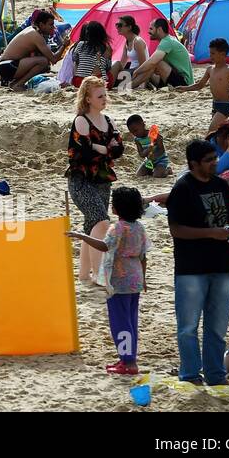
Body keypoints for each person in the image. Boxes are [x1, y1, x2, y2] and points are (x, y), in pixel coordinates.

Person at [169, 138, 229, 386]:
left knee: (217, 326)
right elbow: (176, 229)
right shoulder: (182, 188)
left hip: (222, 264)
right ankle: (190, 373)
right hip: (192, 268)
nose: (214, 163)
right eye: (209, 160)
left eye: (215, 158)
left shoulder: (221, 184)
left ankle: (215, 374)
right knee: (188, 327)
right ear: (193, 164)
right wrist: (210, 233)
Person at [66, 186, 150, 375]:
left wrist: (81, 236)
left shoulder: (117, 228)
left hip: (119, 281)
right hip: (135, 280)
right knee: (131, 320)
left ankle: (127, 362)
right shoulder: (139, 228)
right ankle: (129, 359)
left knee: (120, 322)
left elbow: (104, 246)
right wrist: (143, 279)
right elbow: (143, 256)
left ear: (117, 208)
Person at [66, 78, 125, 284]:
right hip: (81, 180)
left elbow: (119, 150)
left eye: (105, 95)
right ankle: (100, 274)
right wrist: (105, 148)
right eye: (100, 96)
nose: (104, 99)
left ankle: (83, 275)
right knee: (102, 221)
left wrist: (99, 148)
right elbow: (82, 153)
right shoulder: (81, 121)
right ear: (88, 99)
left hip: (102, 178)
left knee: (92, 226)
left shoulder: (108, 121)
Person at [178, 38, 229, 134]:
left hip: (226, 106)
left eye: (213, 53)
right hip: (215, 105)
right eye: (210, 53)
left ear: (222, 54)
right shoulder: (210, 69)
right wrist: (185, 88)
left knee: (211, 129)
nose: (210, 56)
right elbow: (199, 85)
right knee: (219, 132)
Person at [0, 8, 66, 91]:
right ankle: (18, 84)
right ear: (42, 25)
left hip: (5, 66)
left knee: (44, 63)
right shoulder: (36, 35)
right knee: (43, 62)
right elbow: (53, 59)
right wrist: (64, 45)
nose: (53, 27)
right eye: (51, 25)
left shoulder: (32, 30)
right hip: (7, 67)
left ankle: (16, 83)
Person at [132, 18, 193, 89]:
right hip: (173, 79)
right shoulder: (168, 39)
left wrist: (136, 71)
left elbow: (152, 62)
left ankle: (130, 86)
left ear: (159, 30)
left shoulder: (167, 42)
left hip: (184, 83)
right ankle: (137, 85)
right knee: (149, 69)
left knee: (156, 63)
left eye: (151, 29)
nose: (148, 31)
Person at [64, 19, 113, 87]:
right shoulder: (106, 47)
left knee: (77, 62)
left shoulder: (80, 44)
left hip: (79, 81)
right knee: (110, 70)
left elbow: (75, 61)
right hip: (97, 82)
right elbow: (107, 67)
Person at [108, 15, 149, 88]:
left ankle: (108, 85)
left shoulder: (137, 41)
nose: (117, 27)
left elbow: (143, 65)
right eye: (117, 25)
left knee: (116, 64)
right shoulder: (127, 42)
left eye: (120, 25)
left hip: (137, 73)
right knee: (115, 64)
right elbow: (122, 63)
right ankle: (109, 83)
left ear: (129, 27)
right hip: (131, 71)